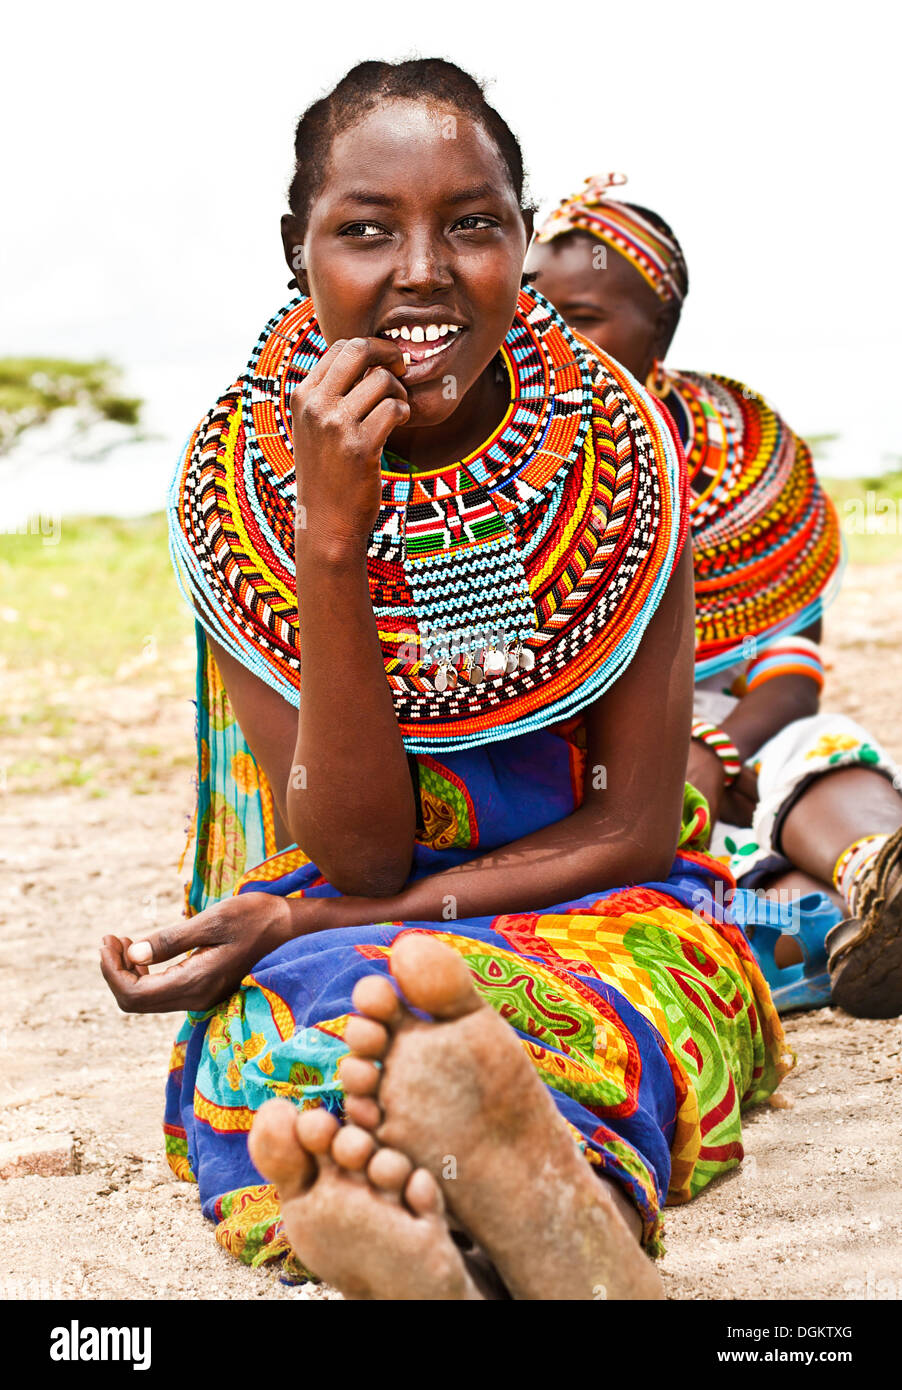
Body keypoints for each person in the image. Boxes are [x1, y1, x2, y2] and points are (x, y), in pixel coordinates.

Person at [101, 62, 789, 1301]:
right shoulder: (240, 492)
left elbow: (633, 828)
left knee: (629, 989)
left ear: (521, 243)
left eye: (472, 223)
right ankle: (437, 1203)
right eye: (366, 229)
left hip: (604, 894)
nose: (422, 269)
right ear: (295, 250)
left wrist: (307, 916)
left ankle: (517, 1186)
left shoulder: (622, 458)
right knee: (284, 1025)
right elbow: (363, 860)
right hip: (354, 903)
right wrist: (330, 538)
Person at [527, 175, 902, 1019]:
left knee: (821, 746)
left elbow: (791, 674)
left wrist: (716, 750)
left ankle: (878, 870)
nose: (549, 336)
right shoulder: (500, 460)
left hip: (748, 738)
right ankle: (822, 925)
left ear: (658, 328)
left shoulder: (746, 454)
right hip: (582, 750)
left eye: (581, 316)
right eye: (534, 309)